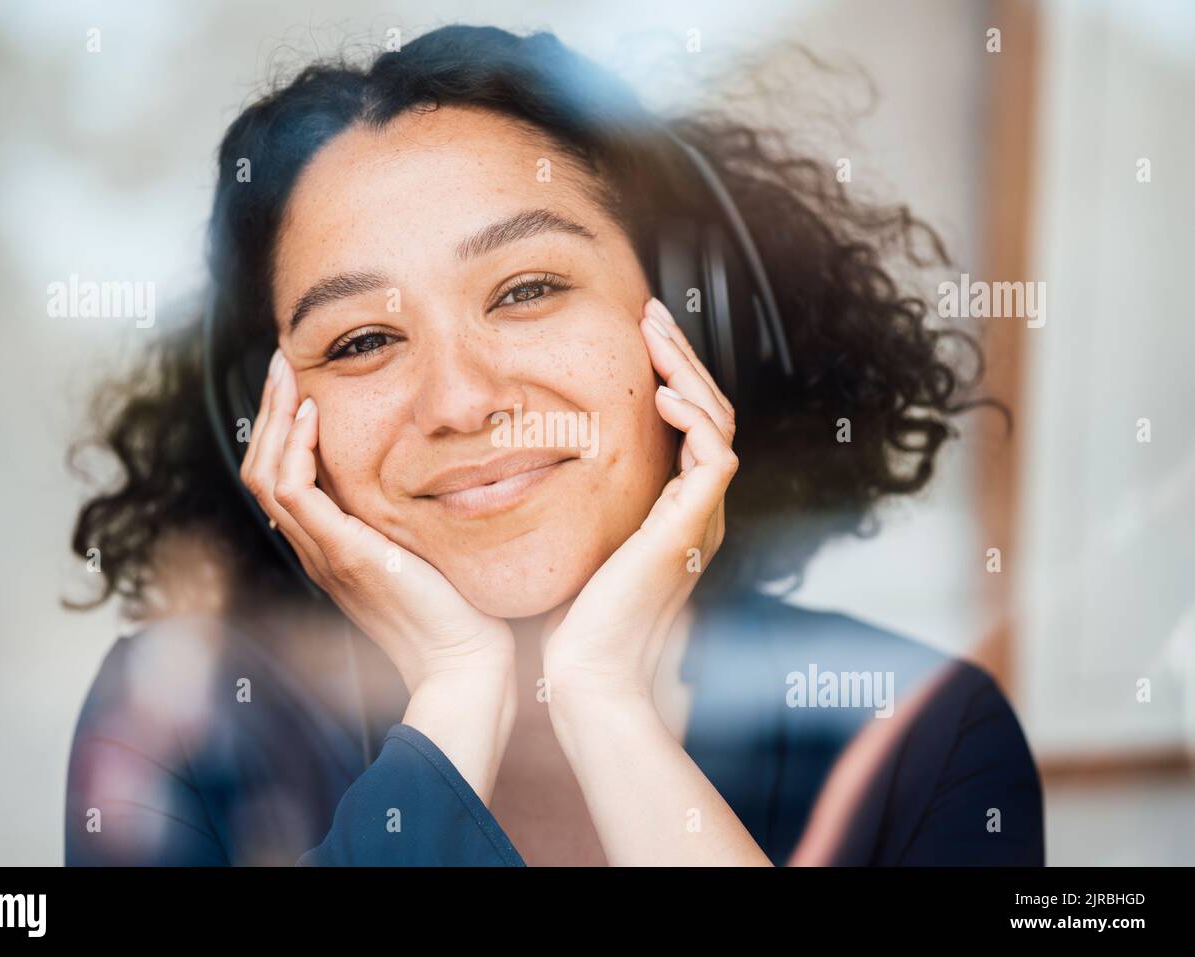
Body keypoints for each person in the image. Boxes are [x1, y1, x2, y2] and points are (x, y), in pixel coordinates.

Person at [63, 25, 1044, 866]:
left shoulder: (920, 735)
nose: (459, 400)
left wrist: (602, 703)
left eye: (526, 290)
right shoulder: (184, 725)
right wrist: (452, 700)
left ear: (694, 322)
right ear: (271, 417)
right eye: (363, 341)